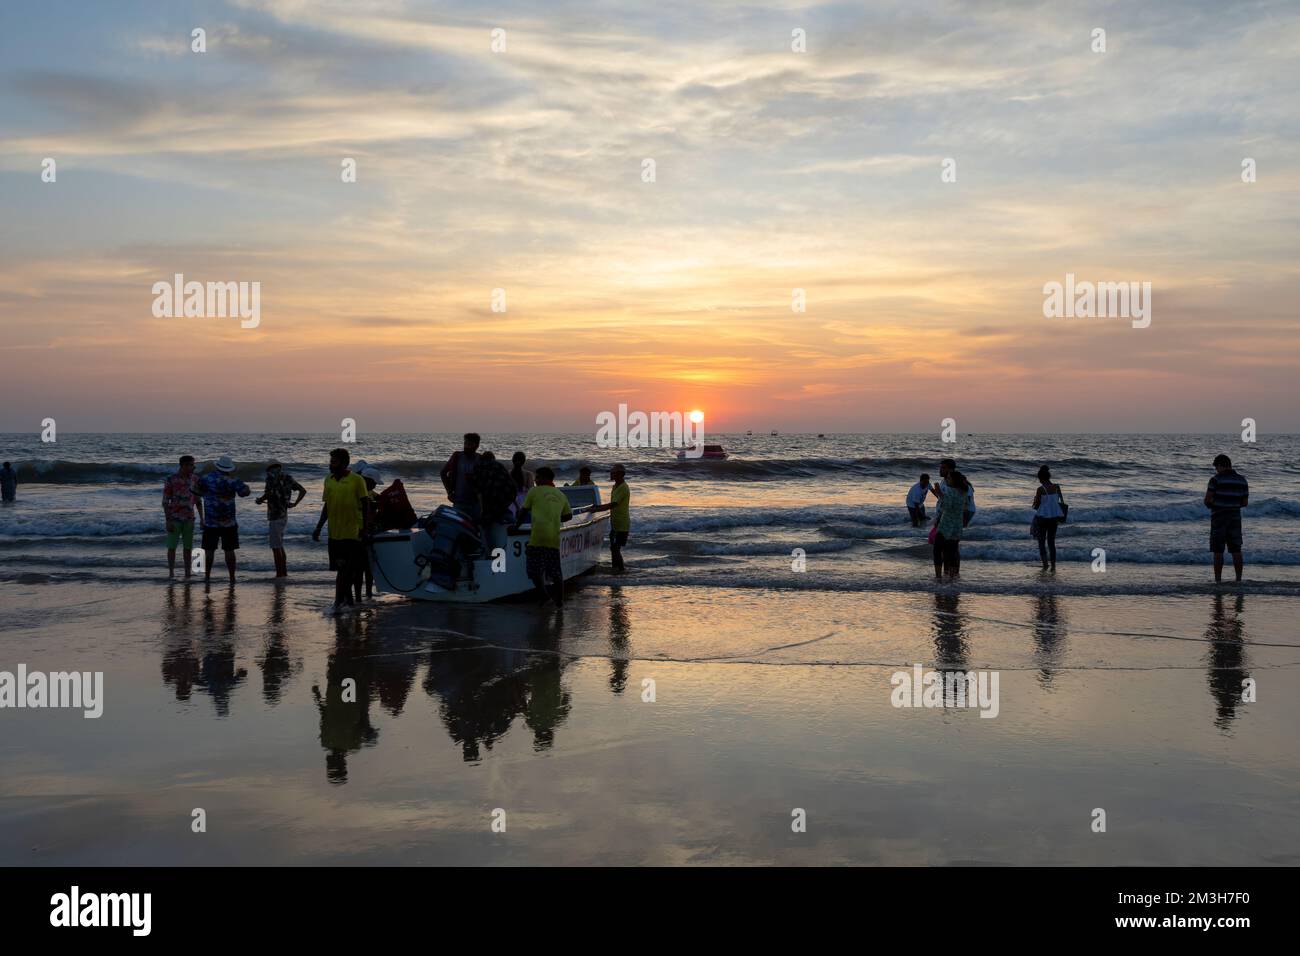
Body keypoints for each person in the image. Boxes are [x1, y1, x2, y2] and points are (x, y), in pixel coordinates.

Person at [313, 448, 372, 613]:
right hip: (334, 533)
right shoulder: (328, 480)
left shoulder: (357, 480)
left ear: (344, 463)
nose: (330, 464)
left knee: (346, 570)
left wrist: (364, 529)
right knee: (341, 569)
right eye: (330, 461)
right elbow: (327, 505)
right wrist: (319, 527)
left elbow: (366, 505)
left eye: (334, 462)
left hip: (352, 532)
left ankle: (338, 603)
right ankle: (350, 603)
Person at [521, 466, 572, 607]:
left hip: (537, 538)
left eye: (537, 477)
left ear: (544, 478)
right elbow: (568, 516)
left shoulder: (534, 491)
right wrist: (554, 517)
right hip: (553, 539)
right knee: (556, 573)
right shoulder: (560, 494)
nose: (535, 480)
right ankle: (560, 602)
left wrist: (515, 526)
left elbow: (523, 511)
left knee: (533, 571)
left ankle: (544, 595)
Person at [199, 455, 251, 586]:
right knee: (229, 550)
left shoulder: (206, 478)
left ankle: (207, 576)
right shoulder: (233, 480)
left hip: (210, 521)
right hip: (229, 522)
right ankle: (232, 578)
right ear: (229, 468)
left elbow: (194, 490)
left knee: (209, 550)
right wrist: (245, 487)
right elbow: (245, 493)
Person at [255, 458, 306, 578]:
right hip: (284, 515)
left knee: (275, 547)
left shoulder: (270, 478)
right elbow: (303, 490)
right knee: (280, 546)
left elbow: (269, 493)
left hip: (275, 516)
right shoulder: (288, 477)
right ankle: (284, 573)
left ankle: (279, 574)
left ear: (270, 469)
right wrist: (295, 504)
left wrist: (260, 500)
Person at [1205, 453, 1249, 583]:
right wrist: (1233, 505)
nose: (1216, 470)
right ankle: (1238, 580)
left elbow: (1207, 500)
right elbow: (1245, 503)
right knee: (1236, 550)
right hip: (1235, 517)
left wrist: (1213, 505)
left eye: (1216, 467)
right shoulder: (1242, 480)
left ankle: (1218, 581)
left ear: (1220, 465)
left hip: (1218, 517)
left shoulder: (1215, 480)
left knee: (1218, 551)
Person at [163, 455, 204, 579]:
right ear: (184, 465)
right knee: (171, 547)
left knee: (188, 548)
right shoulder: (171, 479)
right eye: (192, 465)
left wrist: (202, 519)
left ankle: (187, 573)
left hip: (189, 518)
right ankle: (171, 573)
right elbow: (165, 501)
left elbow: (198, 501)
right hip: (174, 518)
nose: (194, 467)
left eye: (193, 465)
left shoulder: (195, 479)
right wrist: (168, 520)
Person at [591, 464, 630, 572]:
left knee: (615, 548)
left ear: (620, 474)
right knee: (613, 548)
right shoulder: (615, 486)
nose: (611, 474)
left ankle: (621, 570)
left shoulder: (623, 488)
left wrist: (597, 509)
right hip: (615, 523)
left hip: (622, 523)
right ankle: (616, 569)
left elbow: (613, 504)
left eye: (613, 472)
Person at [353, 464, 382, 600]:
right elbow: (365, 505)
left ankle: (369, 594)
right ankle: (358, 597)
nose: (375, 486)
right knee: (359, 567)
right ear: (367, 480)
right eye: (374, 483)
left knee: (369, 567)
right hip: (357, 533)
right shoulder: (358, 491)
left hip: (368, 532)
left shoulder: (370, 492)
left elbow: (380, 498)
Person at [932, 469, 968, 578]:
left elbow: (947, 506)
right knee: (952, 551)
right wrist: (942, 494)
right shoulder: (963, 491)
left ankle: (938, 577)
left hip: (946, 524)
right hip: (957, 525)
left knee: (937, 550)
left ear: (953, 480)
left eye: (948, 478)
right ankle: (952, 578)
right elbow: (956, 505)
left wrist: (938, 493)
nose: (946, 480)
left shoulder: (950, 490)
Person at [440, 432, 483, 521]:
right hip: (459, 501)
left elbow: (486, 480)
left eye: (470, 444)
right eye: (465, 443)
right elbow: (443, 472)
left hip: (476, 502)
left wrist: (475, 478)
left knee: (476, 528)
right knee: (458, 527)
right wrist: (449, 492)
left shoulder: (480, 459)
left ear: (477, 446)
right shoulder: (457, 456)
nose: (466, 446)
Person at [1032, 465, 1066, 571]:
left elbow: (1036, 506)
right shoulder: (1057, 487)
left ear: (1041, 478)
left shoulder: (1040, 489)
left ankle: (1045, 564)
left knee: (1041, 542)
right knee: (1051, 542)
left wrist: (1035, 501)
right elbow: (1061, 502)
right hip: (1054, 518)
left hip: (1042, 518)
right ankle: (1054, 566)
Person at [935, 457, 977, 527]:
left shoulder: (959, 483)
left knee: (955, 531)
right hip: (949, 510)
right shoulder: (944, 481)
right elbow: (945, 497)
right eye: (940, 468)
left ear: (951, 469)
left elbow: (965, 502)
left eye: (943, 468)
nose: (940, 470)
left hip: (964, 511)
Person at [510, 451, 535, 521]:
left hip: (511, 503)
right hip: (524, 503)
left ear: (513, 461)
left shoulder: (508, 473)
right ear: (524, 462)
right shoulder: (528, 474)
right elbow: (531, 491)